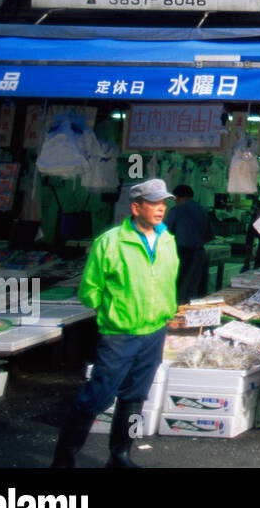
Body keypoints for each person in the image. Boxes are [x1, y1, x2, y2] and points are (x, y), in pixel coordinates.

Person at [52, 179, 180, 468]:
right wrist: (113, 311)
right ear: (136, 207)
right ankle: (63, 460)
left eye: (164, 203)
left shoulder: (167, 239)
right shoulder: (109, 242)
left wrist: (166, 310)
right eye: (154, 203)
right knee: (97, 396)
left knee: (135, 396)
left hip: (154, 331)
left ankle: (121, 455)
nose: (161, 209)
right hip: (120, 333)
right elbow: (89, 291)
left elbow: (168, 280)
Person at [165, 183, 212, 303]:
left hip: (184, 253)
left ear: (178, 197)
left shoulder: (177, 210)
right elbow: (209, 235)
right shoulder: (202, 210)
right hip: (200, 254)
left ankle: (177, 315)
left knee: (180, 287)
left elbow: (165, 233)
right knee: (194, 289)